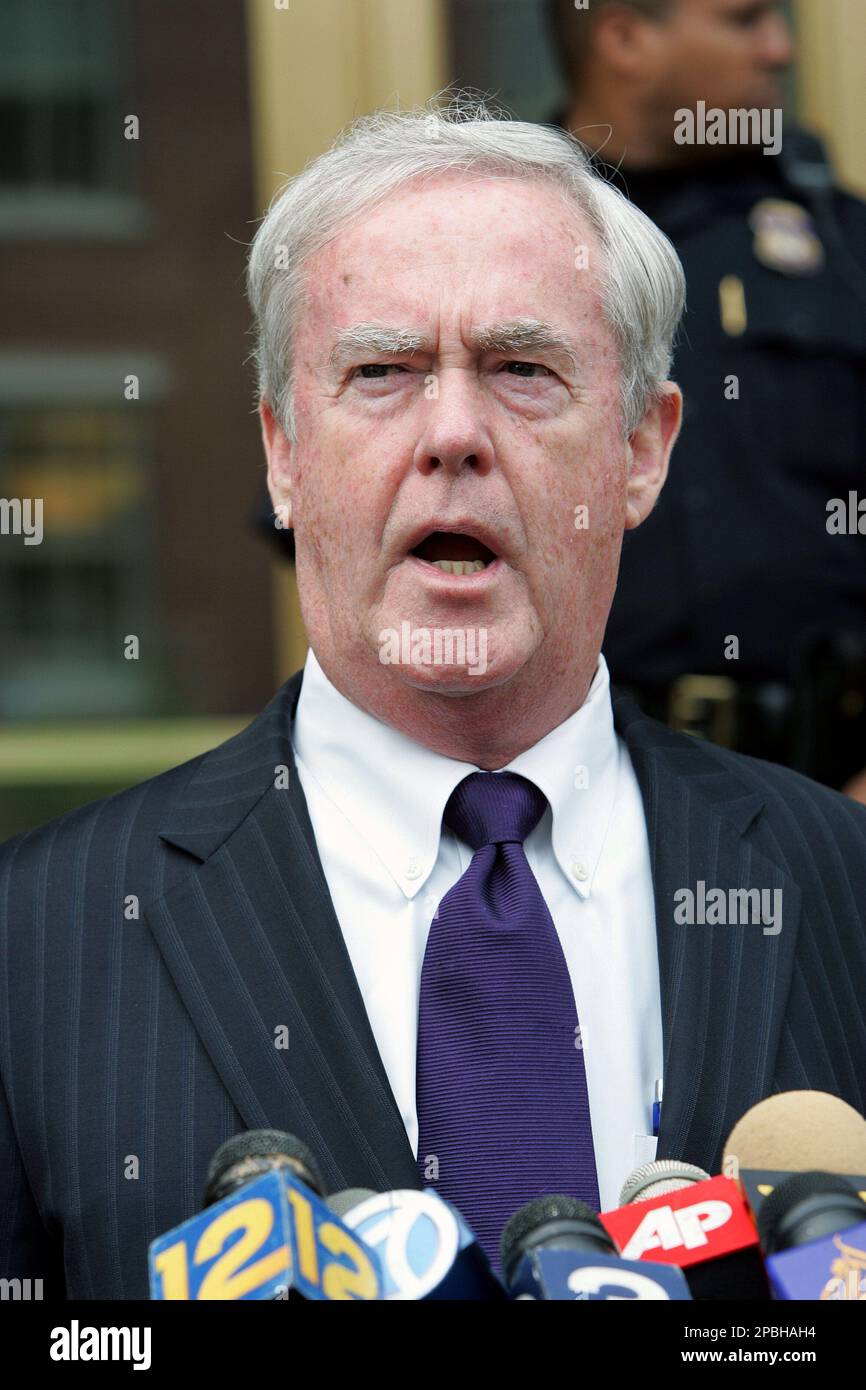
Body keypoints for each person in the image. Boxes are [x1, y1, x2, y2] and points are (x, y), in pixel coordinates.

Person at [2, 97, 865, 1297]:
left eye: (521, 369)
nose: (451, 432)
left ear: (640, 451)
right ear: (281, 453)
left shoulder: (838, 884)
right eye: (381, 371)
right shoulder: (34, 942)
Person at [548, 0, 866, 798]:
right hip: (566, 796)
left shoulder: (841, 246)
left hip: (832, 784)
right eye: (744, 18)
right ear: (623, 36)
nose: (780, 48)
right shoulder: (495, 245)